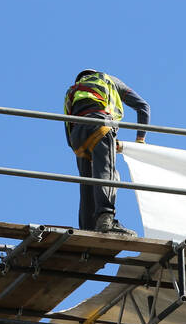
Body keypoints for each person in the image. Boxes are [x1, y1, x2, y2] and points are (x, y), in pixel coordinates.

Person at [63, 70, 150, 237]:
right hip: (100, 123)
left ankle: (87, 230)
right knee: (106, 172)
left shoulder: (72, 91)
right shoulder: (108, 79)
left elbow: (67, 127)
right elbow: (143, 106)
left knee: (86, 184)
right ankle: (106, 220)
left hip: (77, 138)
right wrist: (140, 140)